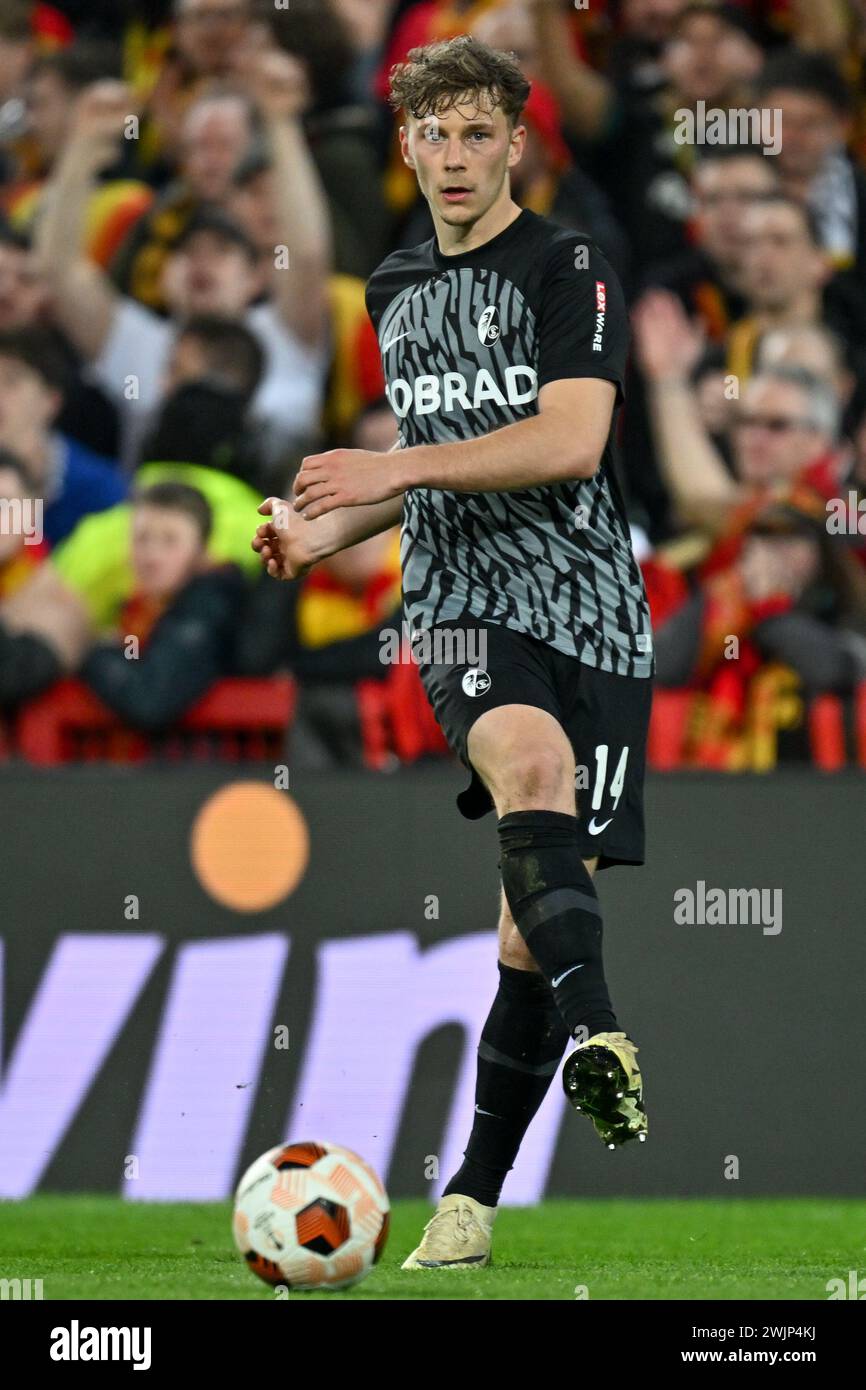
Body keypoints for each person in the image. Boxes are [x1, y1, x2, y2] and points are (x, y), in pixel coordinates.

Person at [252, 34, 652, 1268]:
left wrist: (391, 470)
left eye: (479, 133)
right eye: (434, 134)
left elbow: (569, 438)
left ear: (516, 143)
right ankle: (601, 1031)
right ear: (407, 145)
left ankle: (468, 1200)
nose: (456, 157)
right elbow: (430, 467)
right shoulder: (392, 286)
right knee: (525, 762)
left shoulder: (569, 262)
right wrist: (332, 530)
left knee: (524, 930)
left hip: (592, 605)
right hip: (464, 599)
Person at [80, 481, 243, 731]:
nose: (151, 555)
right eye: (142, 538)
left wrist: (90, 651)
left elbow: (150, 701)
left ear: (202, 551)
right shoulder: (137, 609)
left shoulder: (210, 604)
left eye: (170, 540)